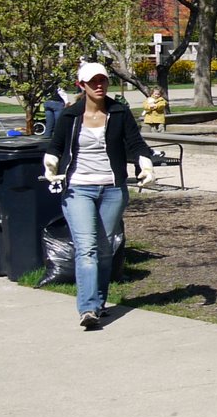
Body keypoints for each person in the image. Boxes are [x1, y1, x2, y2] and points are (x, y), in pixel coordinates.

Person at [42, 62, 156, 330]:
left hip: (112, 188)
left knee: (105, 249)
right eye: (92, 81)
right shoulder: (70, 116)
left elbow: (136, 143)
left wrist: (146, 164)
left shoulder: (119, 112)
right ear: (81, 85)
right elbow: (55, 146)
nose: (99, 85)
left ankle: (99, 302)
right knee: (87, 248)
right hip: (78, 188)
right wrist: (50, 163)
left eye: (103, 80)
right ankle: (88, 309)